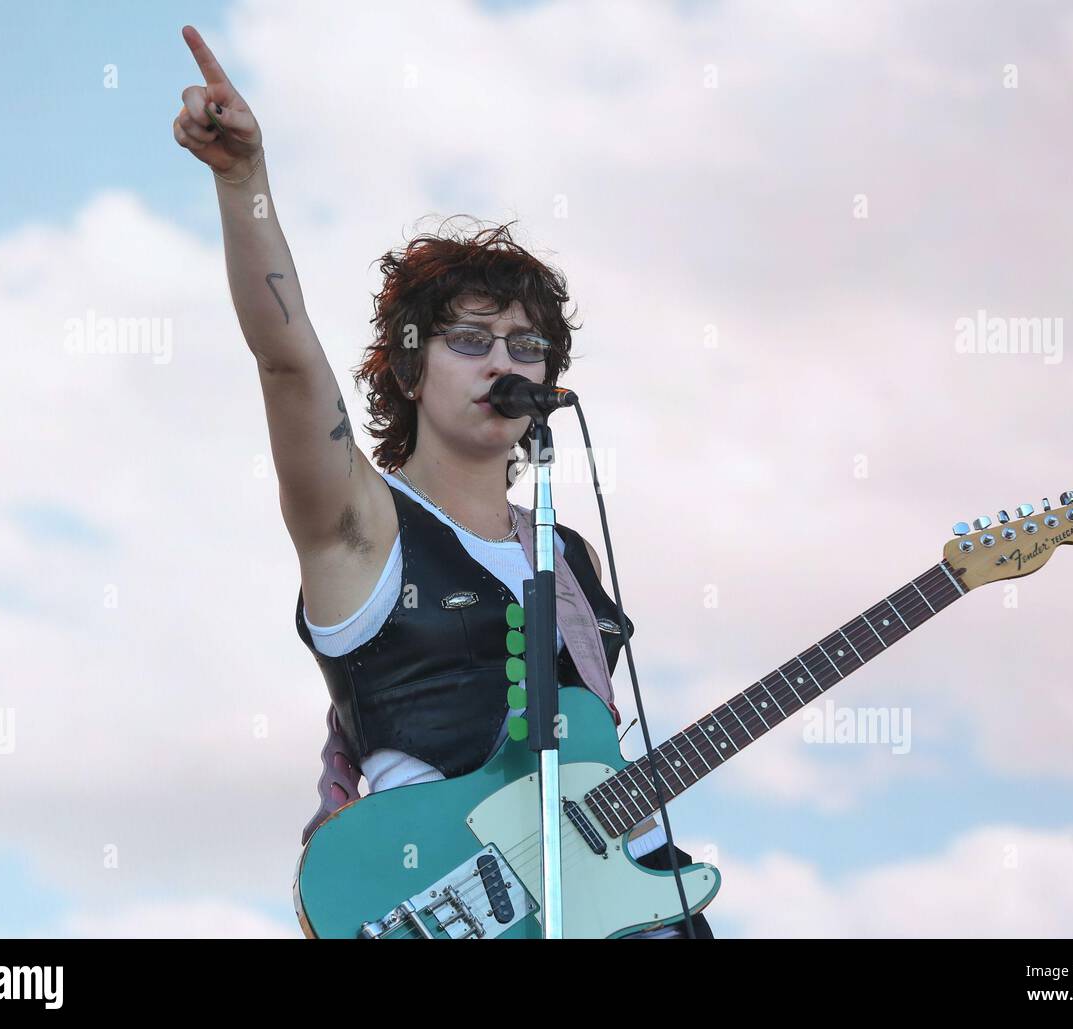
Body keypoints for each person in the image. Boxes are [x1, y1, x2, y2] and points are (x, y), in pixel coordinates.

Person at [174, 24, 712, 940]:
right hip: (444, 906)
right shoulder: (365, 525)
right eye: (471, 339)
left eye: (526, 346)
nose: (502, 360)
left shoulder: (565, 553)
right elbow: (288, 362)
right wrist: (243, 183)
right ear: (410, 370)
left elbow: (585, 759)